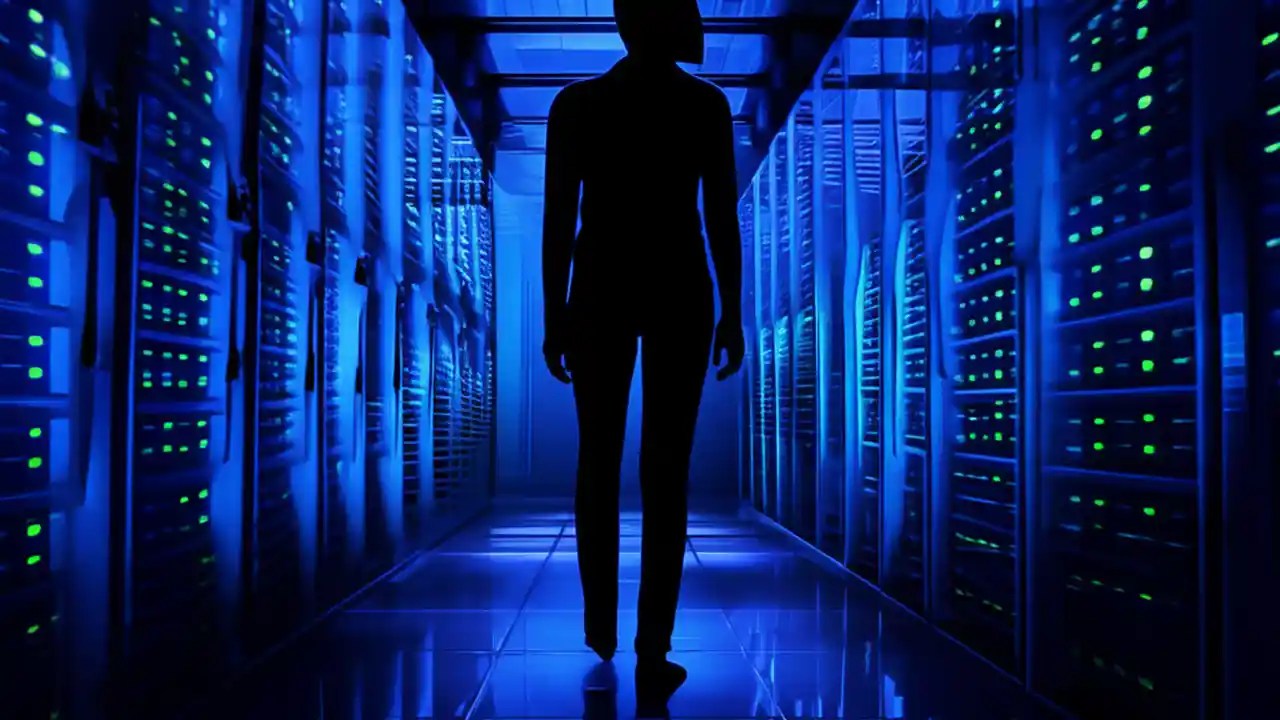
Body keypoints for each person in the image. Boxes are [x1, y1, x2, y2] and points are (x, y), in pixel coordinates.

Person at [540, 0, 746, 708]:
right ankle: (653, 646)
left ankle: (601, 629)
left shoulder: (578, 105)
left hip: (598, 287)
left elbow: (559, 219)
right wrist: (733, 313)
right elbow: (720, 214)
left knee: (596, 459)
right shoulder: (704, 106)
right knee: (667, 470)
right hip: (681, 290)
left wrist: (554, 315)